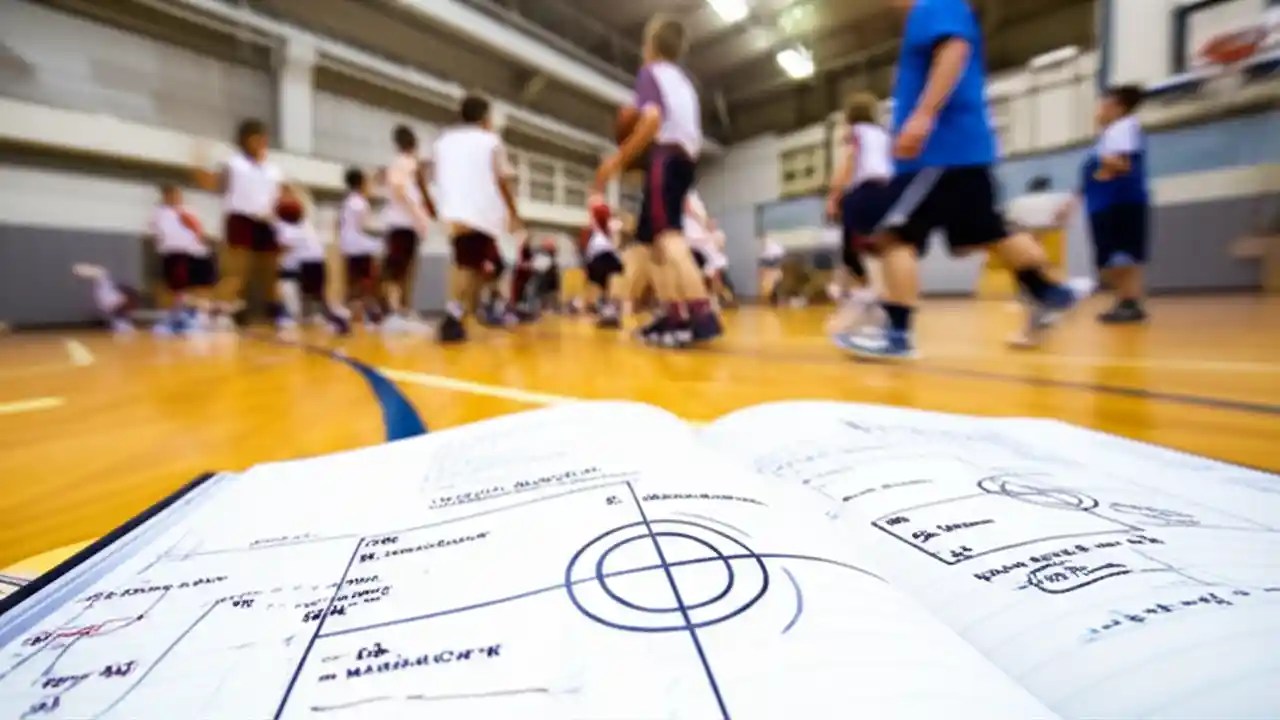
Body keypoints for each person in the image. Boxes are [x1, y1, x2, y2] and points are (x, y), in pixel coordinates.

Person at [841, 0, 1086, 359]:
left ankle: (897, 335)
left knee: (892, 236)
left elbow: (954, 50)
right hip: (963, 150)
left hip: (937, 152)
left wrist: (923, 116)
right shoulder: (938, 10)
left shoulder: (934, 5)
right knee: (988, 230)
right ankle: (1049, 292)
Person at [593, 15, 722, 348]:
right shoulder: (685, 81)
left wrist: (618, 158)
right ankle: (674, 313)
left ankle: (701, 312)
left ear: (649, 46)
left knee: (669, 238)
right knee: (649, 244)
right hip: (684, 160)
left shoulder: (651, 73)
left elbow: (651, 119)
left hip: (666, 158)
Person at [432, 94, 523, 343]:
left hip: (452, 211)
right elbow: (501, 179)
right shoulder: (490, 141)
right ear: (485, 117)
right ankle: (454, 315)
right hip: (479, 213)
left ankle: (463, 312)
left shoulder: (444, 141)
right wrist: (513, 214)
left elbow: (438, 174)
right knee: (470, 266)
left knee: (475, 264)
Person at [1056, 86, 1150, 323]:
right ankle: (1125, 301)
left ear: (1117, 107)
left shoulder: (1124, 127)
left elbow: (1123, 164)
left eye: (1102, 105)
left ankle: (1130, 303)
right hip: (1103, 204)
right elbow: (1090, 175)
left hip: (1119, 201)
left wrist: (1105, 168)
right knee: (1109, 260)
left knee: (1123, 255)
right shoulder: (1107, 137)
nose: (1097, 111)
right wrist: (1072, 202)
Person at [194, 119, 282, 329]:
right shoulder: (234, 165)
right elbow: (212, 184)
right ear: (245, 140)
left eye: (263, 138)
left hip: (266, 224)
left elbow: (279, 200)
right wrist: (198, 163)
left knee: (270, 273)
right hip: (240, 220)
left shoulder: (273, 171)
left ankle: (276, 314)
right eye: (256, 138)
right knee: (235, 273)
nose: (261, 142)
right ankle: (214, 314)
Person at [826, 92, 893, 339]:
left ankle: (872, 298)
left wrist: (834, 195)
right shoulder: (884, 135)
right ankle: (876, 302)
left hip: (864, 192)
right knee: (872, 252)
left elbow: (850, 161)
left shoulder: (856, 132)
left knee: (852, 252)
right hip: (887, 193)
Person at [275, 185, 350, 336]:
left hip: (309, 263)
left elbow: (284, 246)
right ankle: (305, 315)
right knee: (309, 295)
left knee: (315, 296)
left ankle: (337, 319)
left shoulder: (291, 225)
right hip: (309, 262)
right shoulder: (299, 224)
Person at [381, 125, 434, 334]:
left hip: (408, 226)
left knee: (406, 269)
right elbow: (399, 189)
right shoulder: (402, 163)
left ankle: (403, 310)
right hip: (401, 224)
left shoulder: (410, 166)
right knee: (396, 269)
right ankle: (394, 312)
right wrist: (417, 214)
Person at [150, 184, 216, 335]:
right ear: (165, 196)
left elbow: (199, 229)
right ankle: (178, 319)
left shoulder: (188, 210)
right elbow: (158, 236)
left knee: (202, 286)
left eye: (177, 195)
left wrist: (202, 239)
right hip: (174, 253)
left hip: (197, 253)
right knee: (177, 289)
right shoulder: (158, 213)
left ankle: (201, 318)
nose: (175, 198)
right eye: (171, 195)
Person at [339, 168, 385, 328]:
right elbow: (365, 226)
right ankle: (368, 314)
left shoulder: (346, 201)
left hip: (348, 246)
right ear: (361, 184)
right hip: (360, 247)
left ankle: (353, 315)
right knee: (366, 282)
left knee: (352, 282)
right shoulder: (361, 203)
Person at [580, 203, 626, 328]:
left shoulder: (608, 230)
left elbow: (615, 247)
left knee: (604, 286)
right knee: (600, 288)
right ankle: (603, 308)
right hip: (600, 260)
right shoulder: (595, 232)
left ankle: (607, 309)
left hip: (605, 260)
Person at [71, 264, 139, 333]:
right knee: (102, 274)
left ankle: (78, 270)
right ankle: (78, 270)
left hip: (108, 303)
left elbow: (120, 308)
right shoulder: (116, 296)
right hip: (108, 302)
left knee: (102, 273)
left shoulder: (121, 302)